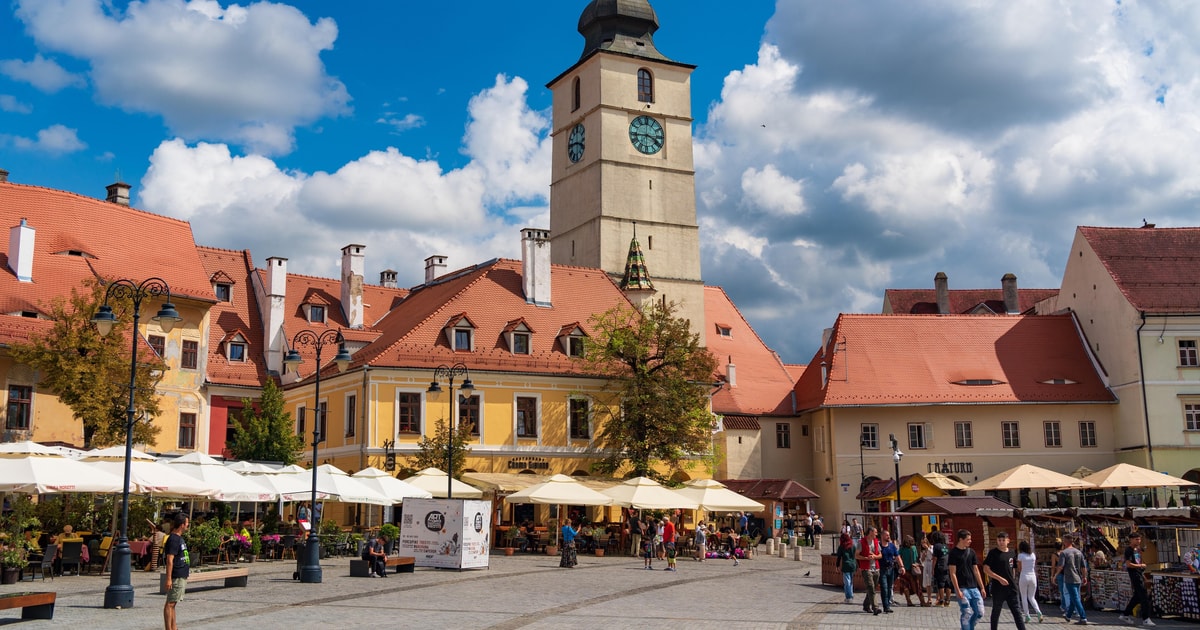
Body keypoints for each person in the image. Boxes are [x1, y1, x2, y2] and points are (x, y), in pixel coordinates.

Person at [983, 531, 1027, 630]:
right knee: (996, 612)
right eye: (999, 540)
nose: (1001, 542)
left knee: (1017, 612)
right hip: (998, 588)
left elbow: (1013, 569)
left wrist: (1013, 580)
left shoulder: (1012, 553)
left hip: (1011, 588)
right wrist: (999, 578)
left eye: (1003, 540)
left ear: (1008, 541)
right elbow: (986, 569)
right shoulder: (993, 553)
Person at [949, 529, 986, 630]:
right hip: (962, 588)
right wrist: (957, 590)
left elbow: (976, 570)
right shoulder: (953, 553)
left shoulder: (972, 552)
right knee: (967, 612)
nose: (970, 541)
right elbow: (952, 573)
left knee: (980, 612)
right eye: (968, 539)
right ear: (961, 539)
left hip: (974, 587)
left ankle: (969, 627)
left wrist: (982, 587)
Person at [1119, 532, 1154, 627]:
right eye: (1136, 539)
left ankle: (1125, 614)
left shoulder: (1138, 550)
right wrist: (1141, 565)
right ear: (1131, 539)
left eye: (1139, 539)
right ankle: (1146, 618)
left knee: (1137, 597)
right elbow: (1128, 564)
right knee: (1144, 597)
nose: (1138, 541)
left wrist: (1143, 575)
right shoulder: (1128, 550)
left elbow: (1139, 562)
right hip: (1134, 575)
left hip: (1139, 574)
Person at [162, 513, 190, 630]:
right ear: (182, 525)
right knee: (170, 603)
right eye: (187, 524)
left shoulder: (178, 538)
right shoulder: (173, 539)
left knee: (173, 603)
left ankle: (174, 627)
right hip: (176, 575)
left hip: (180, 575)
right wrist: (168, 579)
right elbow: (170, 559)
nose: (188, 526)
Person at [1058, 534, 1090, 625]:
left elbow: (1061, 566)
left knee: (1075, 598)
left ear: (1065, 542)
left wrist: (1055, 575)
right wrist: (1084, 577)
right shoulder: (1079, 552)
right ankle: (1068, 615)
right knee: (1073, 597)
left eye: (1063, 541)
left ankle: (1083, 617)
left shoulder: (1064, 553)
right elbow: (1083, 567)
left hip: (1069, 577)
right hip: (1078, 577)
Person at [1016, 540, 1044, 624]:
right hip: (1033, 576)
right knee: (1032, 597)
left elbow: (1019, 568)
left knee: (1024, 597)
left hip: (1024, 576)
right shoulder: (1033, 555)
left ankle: (1027, 615)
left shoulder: (1020, 556)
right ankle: (1038, 612)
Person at [858, 526, 883, 615]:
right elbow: (856, 555)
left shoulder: (876, 542)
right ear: (870, 532)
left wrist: (875, 556)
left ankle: (866, 605)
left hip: (876, 567)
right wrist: (865, 558)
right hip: (866, 568)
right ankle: (875, 608)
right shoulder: (861, 542)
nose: (876, 534)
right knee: (871, 587)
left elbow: (880, 555)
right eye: (875, 532)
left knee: (873, 587)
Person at [899, 534, 927, 606]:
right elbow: (915, 558)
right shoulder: (913, 548)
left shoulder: (901, 549)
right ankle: (922, 601)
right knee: (917, 586)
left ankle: (909, 601)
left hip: (904, 569)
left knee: (905, 586)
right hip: (912, 570)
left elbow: (898, 557)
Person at [879, 529, 901, 613]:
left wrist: (901, 566)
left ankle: (887, 604)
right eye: (887, 535)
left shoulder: (892, 546)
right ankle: (886, 606)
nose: (888, 536)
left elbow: (897, 556)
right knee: (884, 588)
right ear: (882, 536)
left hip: (891, 569)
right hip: (882, 570)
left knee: (889, 588)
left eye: (889, 535)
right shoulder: (878, 546)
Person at [933, 531, 953, 606]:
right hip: (947, 566)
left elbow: (935, 558)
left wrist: (933, 568)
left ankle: (941, 600)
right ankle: (947, 601)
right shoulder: (946, 546)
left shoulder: (936, 546)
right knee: (948, 583)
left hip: (940, 566)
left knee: (941, 583)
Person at [837, 532, 858, 603]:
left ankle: (849, 597)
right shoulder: (853, 546)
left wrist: (837, 565)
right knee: (851, 581)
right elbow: (856, 556)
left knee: (847, 582)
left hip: (846, 565)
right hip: (853, 564)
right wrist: (857, 565)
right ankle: (850, 596)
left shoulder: (842, 546)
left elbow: (839, 557)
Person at [1050, 540, 1068, 613]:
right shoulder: (1065, 553)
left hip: (1059, 573)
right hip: (1066, 573)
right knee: (1067, 590)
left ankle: (1063, 605)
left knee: (1062, 590)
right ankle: (1068, 605)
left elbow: (1053, 566)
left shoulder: (1054, 555)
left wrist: (1052, 575)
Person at [919, 536, 935, 606]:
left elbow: (933, 555)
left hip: (931, 564)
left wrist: (928, 548)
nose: (923, 544)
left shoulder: (931, 547)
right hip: (926, 565)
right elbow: (921, 560)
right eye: (922, 543)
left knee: (932, 581)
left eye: (924, 542)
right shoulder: (922, 550)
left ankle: (938, 598)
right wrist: (923, 556)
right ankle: (929, 598)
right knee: (927, 582)